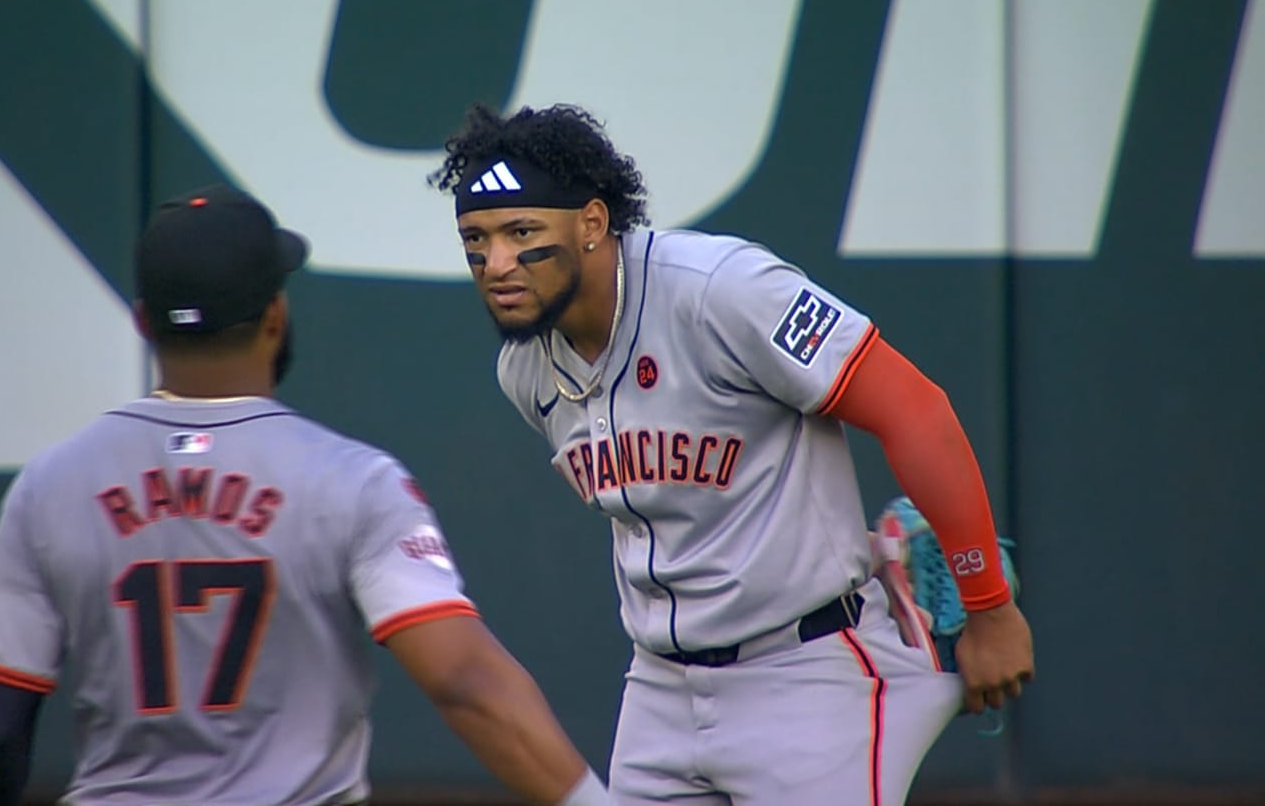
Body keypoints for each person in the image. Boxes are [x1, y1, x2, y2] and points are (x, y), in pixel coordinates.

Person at [429, 104, 1035, 806]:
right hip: (657, 689)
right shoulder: (525, 372)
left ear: (592, 224)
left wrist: (989, 607)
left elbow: (917, 413)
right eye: (476, 238)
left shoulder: (720, 290)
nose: (495, 262)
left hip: (801, 678)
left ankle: (905, 629)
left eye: (522, 232)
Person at [0, 184, 611, 806]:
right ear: (274, 315)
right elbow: (465, 681)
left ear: (145, 324)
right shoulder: (350, 481)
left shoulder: (52, 485)